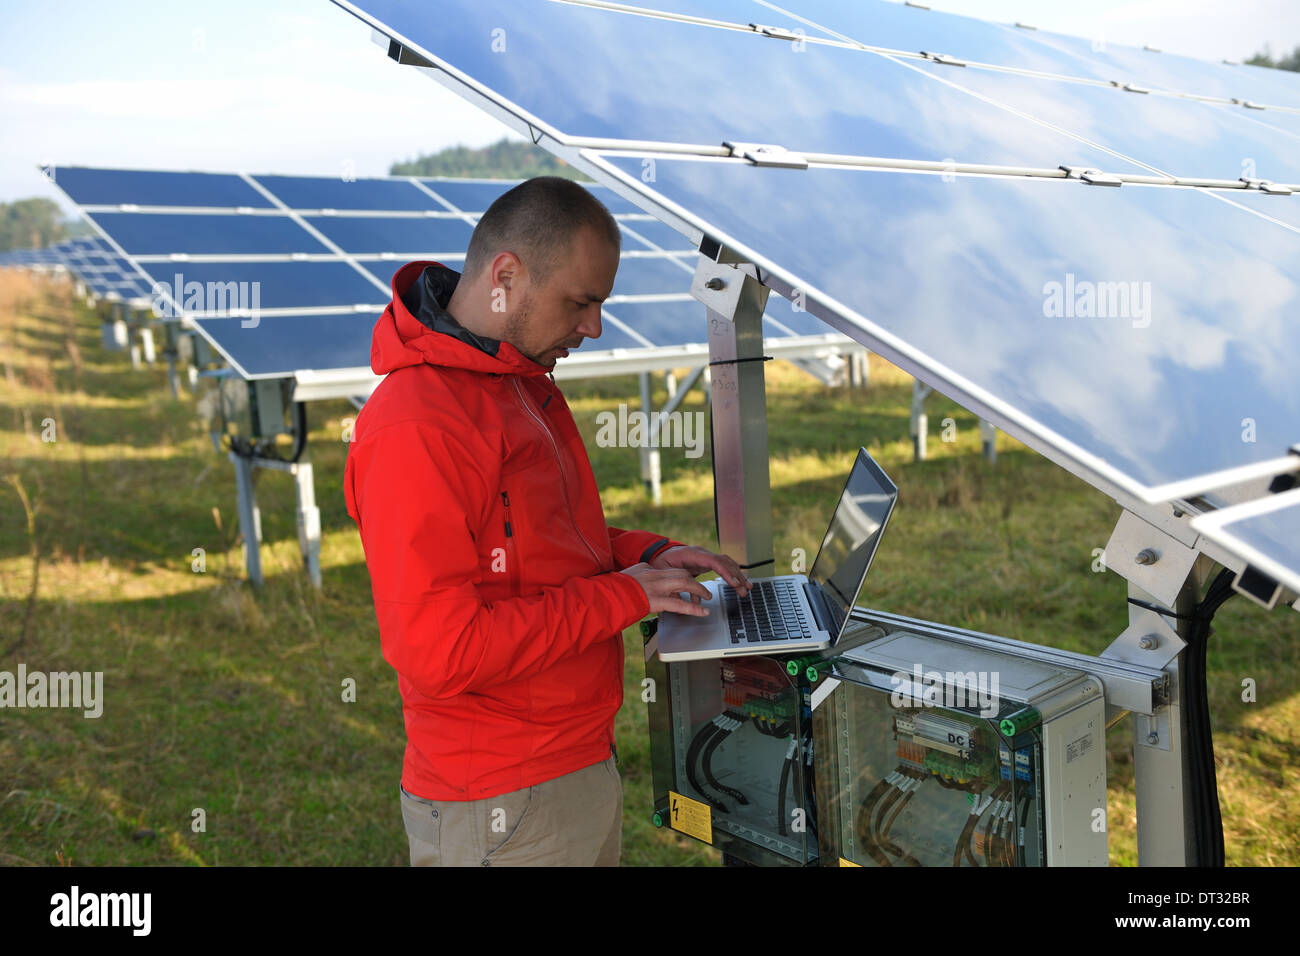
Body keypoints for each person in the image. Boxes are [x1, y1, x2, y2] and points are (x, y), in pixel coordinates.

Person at [343, 176, 751, 866]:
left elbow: (552, 546)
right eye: (581, 302)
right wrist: (627, 594)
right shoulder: (419, 423)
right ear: (506, 276)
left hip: (560, 769)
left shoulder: (514, 383)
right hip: (502, 800)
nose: (593, 328)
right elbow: (440, 652)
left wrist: (652, 556)